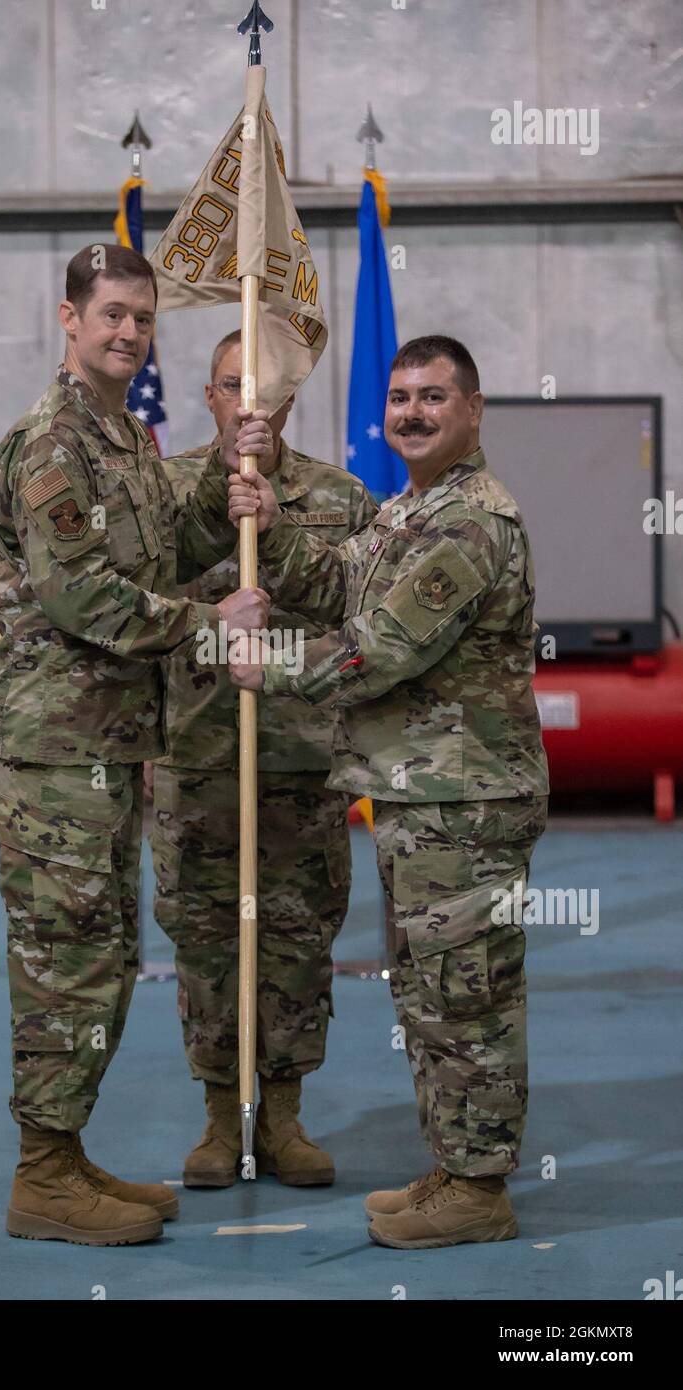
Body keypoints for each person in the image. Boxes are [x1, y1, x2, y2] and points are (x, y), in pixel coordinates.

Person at [226, 335, 550, 1249]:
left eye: (433, 397)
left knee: (467, 994)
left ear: (474, 410)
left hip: (465, 801)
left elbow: (383, 647)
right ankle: (453, 1165)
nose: (411, 411)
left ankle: (481, 1190)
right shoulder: (410, 509)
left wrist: (271, 668)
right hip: (420, 795)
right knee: (429, 993)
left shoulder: (472, 522)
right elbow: (338, 586)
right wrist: (274, 524)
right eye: (400, 396)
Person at [0, 243, 271, 1246]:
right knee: (65, 955)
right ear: (68, 317)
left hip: (106, 741)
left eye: (141, 318)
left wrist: (216, 511)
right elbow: (84, 597)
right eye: (109, 314)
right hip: (53, 747)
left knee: (103, 952)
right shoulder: (50, 443)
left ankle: (64, 1156)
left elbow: (151, 557)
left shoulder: (128, 441)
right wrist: (208, 627)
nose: (127, 332)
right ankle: (41, 1174)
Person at [152, 329, 378, 1188]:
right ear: (208, 397)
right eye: (228, 384)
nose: (246, 401)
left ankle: (282, 1118)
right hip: (197, 755)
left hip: (301, 760)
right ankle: (219, 1119)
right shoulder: (167, 491)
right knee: (206, 941)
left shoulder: (340, 496)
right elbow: (141, 597)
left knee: (296, 941)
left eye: (264, 387)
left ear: (289, 402)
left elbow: (362, 621)